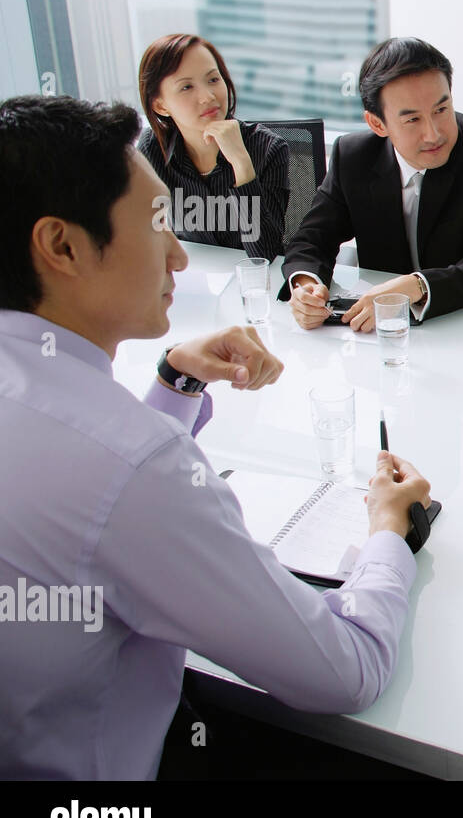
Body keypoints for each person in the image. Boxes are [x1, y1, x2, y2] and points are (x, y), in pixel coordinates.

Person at [0, 95, 432, 779]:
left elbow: (91, 499)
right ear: (61, 246)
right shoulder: (136, 468)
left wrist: (174, 386)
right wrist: (388, 532)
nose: (177, 257)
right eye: (156, 225)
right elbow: (346, 671)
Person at [283, 37, 463, 332]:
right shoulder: (353, 156)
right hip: (375, 332)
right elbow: (311, 239)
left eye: (441, 110)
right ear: (377, 124)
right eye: (412, 120)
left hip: (461, 326)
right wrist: (307, 286)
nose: (433, 134)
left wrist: (415, 286)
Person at [138, 33, 290, 261]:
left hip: (253, 285)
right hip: (193, 280)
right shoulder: (152, 149)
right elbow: (142, 236)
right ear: (160, 105)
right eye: (187, 87)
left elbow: (265, 256)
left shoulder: (268, 148)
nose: (208, 96)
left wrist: (241, 164)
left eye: (213, 80)